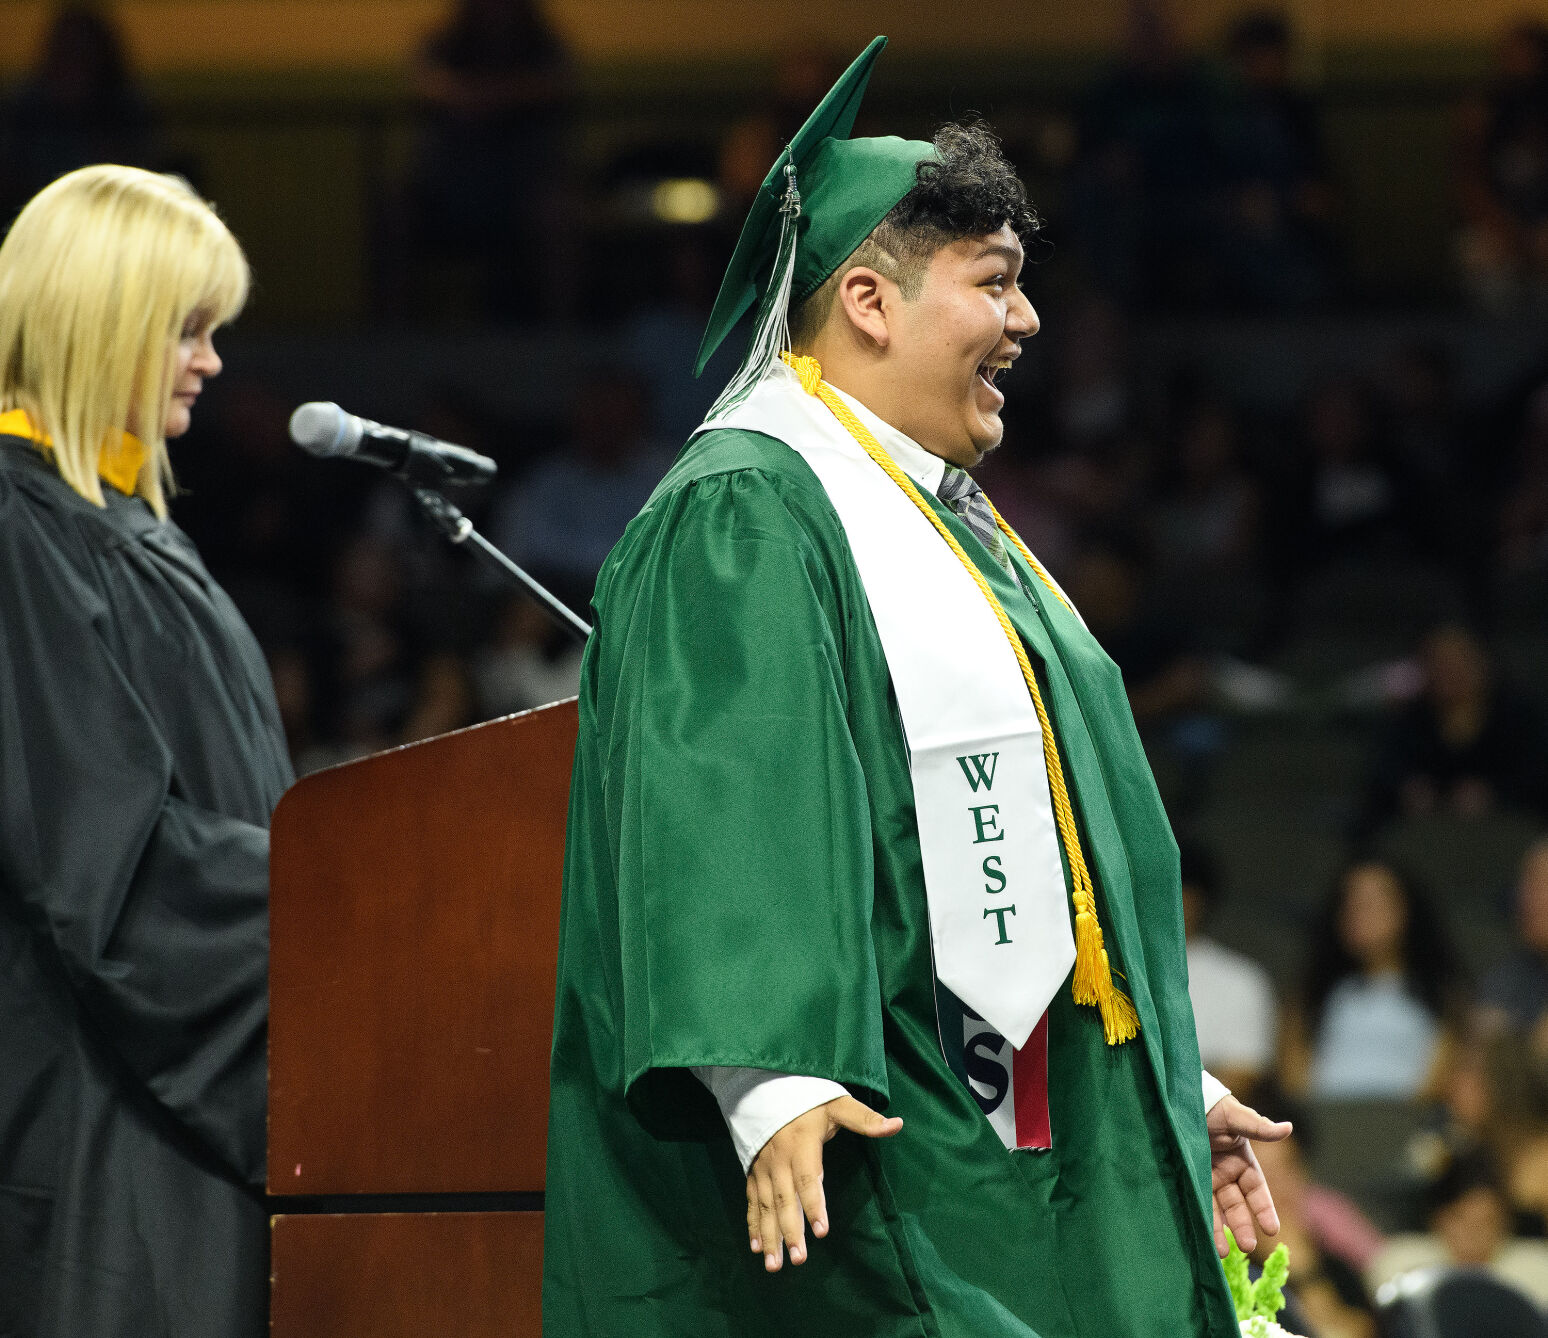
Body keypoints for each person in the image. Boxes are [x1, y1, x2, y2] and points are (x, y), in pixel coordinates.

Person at [544, 38, 1289, 1337]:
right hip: (868, 1170)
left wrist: (1154, 1083)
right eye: (994, 283)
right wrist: (768, 1081)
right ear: (872, 302)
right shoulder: (748, 511)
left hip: (1007, 1127)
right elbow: (728, 809)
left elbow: (1009, 857)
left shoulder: (948, 521)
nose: (1029, 320)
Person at [0, 165, 289, 1338]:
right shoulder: (22, 534)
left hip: (176, 1077)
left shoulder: (117, 526)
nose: (209, 362)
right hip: (106, 1096)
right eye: (185, 329)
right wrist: (340, 904)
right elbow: (106, 857)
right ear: (97, 320)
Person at [1286, 858, 1463, 1102]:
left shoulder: (1442, 995)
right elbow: (1294, 1078)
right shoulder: (1314, 993)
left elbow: (1443, 1079)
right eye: (1350, 901)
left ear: (1406, 910)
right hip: (1325, 1125)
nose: (1358, 910)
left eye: (1373, 901)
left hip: (1403, 1126)